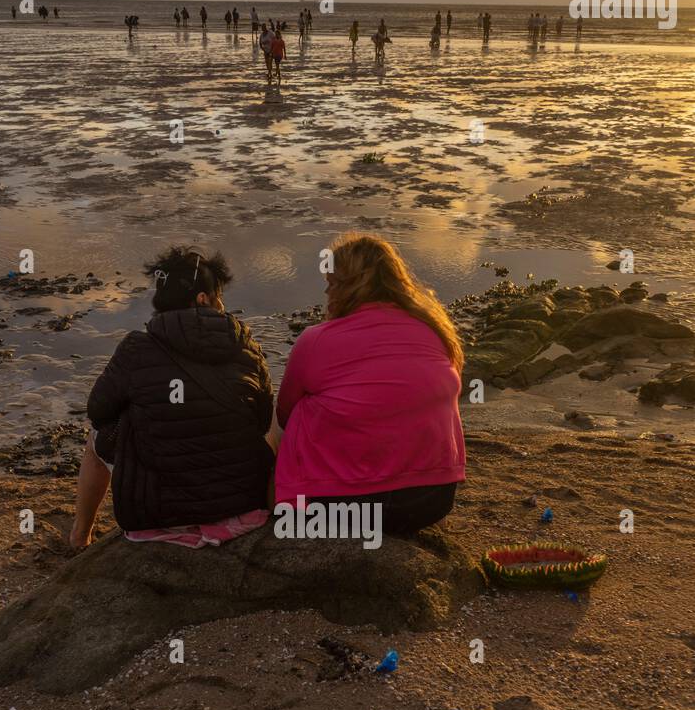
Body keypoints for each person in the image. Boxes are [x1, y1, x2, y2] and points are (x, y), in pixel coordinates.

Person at [70, 248, 275, 550]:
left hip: (156, 516)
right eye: (219, 296)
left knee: (96, 436)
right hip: (242, 509)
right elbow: (261, 421)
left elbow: (98, 412)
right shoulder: (248, 348)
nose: (222, 304)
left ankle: (80, 537)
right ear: (203, 300)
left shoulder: (135, 349)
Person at [274, 233, 465, 533]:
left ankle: (283, 507)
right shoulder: (437, 331)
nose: (327, 291)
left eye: (332, 282)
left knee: (296, 411)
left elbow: (284, 415)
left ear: (349, 286)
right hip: (431, 502)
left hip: (344, 509)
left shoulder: (315, 341)